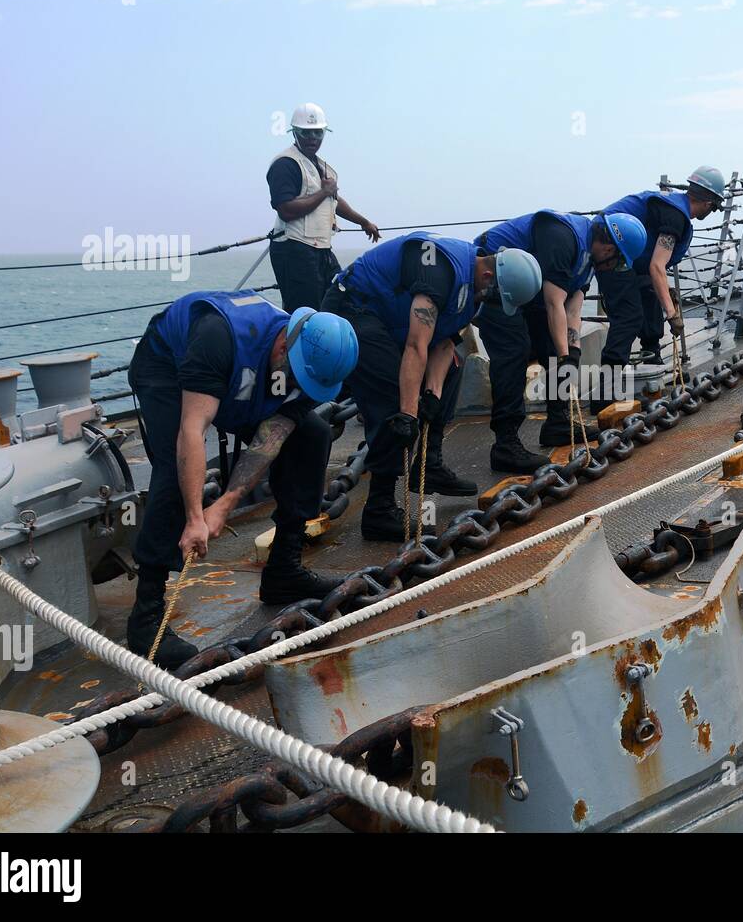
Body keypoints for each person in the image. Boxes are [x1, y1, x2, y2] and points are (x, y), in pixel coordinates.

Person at [127, 291, 359, 669]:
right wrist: (195, 517)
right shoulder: (217, 337)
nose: (300, 385)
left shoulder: (306, 365)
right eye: (297, 376)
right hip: (166, 366)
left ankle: (283, 569)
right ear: (285, 344)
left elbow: (272, 437)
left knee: (311, 435)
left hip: (242, 375)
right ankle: (146, 616)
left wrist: (223, 506)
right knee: (173, 466)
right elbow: (192, 429)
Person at [322, 233, 542, 541]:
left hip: (390, 323)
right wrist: (409, 414)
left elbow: (444, 344)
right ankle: (379, 510)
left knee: (454, 365)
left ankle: (429, 463)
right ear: (488, 275)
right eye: (494, 298)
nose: (489, 304)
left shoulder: (476, 286)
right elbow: (416, 345)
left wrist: (432, 396)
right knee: (393, 393)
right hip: (353, 310)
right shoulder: (440, 272)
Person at [474, 210, 647, 473]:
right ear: (609, 247)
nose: (615, 268)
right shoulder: (563, 239)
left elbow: (571, 310)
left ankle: (558, 422)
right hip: (493, 285)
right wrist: (565, 354)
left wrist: (571, 352)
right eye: (619, 261)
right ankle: (505, 445)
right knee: (514, 351)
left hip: (528, 293)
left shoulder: (589, 261)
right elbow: (553, 303)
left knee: (557, 350)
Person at [593, 167, 725, 411]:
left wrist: (664, 293)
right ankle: (604, 396)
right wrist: (673, 315)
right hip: (609, 250)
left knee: (651, 294)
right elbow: (657, 266)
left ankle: (651, 360)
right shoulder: (675, 215)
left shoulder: (673, 206)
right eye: (714, 206)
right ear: (709, 202)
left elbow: (653, 268)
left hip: (626, 257)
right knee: (628, 317)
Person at [266, 103, 382, 313]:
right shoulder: (285, 165)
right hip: (294, 249)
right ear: (294, 132)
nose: (313, 139)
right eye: (306, 133)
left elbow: (334, 201)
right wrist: (324, 192)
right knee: (306, 311)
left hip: (320, 249)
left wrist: (363, 222)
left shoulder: (318, 164)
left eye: (318, 133)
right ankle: (296, 344)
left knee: (340, 297)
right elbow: (286, 210)